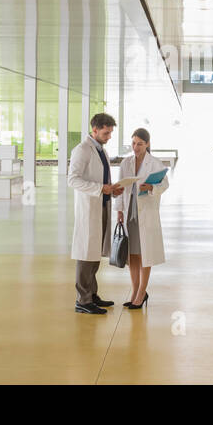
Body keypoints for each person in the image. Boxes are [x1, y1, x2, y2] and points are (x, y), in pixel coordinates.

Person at [66, 113, 124, 314]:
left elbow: (101, 177)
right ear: (95, 130)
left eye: (110, 133)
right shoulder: (82, 150)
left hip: (102, 205)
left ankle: (92, 294)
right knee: (85, 253)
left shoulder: (101, 151)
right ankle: (82, 300)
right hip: (89, 208)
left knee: (94, 253)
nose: (108, 137)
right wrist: (100, 188)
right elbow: (72, 180)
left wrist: (112, 190)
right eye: (106, 133)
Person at [114, 128, 169, 309]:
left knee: (146, 253)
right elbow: (121, 188)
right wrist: (119, 210)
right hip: (130, 212)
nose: (136, 147)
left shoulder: (154, 163)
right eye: (134, 143)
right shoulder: (126, 163)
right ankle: (135, 289)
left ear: (147, 144)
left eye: (140, 144)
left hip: (146, 212)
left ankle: (141, 292)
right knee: (133, 254)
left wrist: (151, 188)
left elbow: (164, 183)